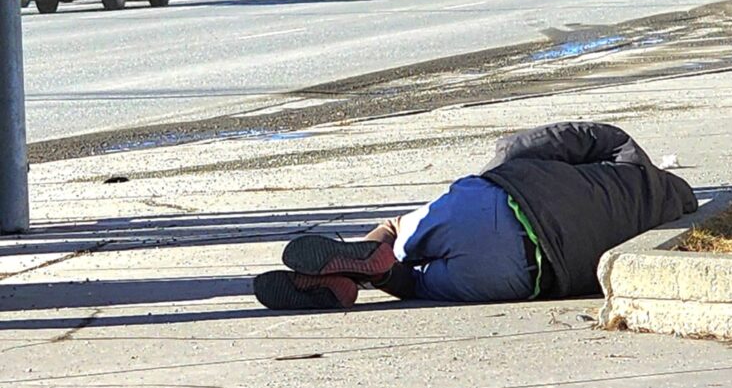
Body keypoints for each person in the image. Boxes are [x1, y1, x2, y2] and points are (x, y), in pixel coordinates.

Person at [253, 121, 698, 310]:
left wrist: (494, 176)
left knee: (395, 231)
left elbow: (546, 141)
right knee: (416, 285)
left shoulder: (623, 159)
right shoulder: (658, 237)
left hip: (499, 207)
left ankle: (368, 254)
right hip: (521, 278)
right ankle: (376, 278)